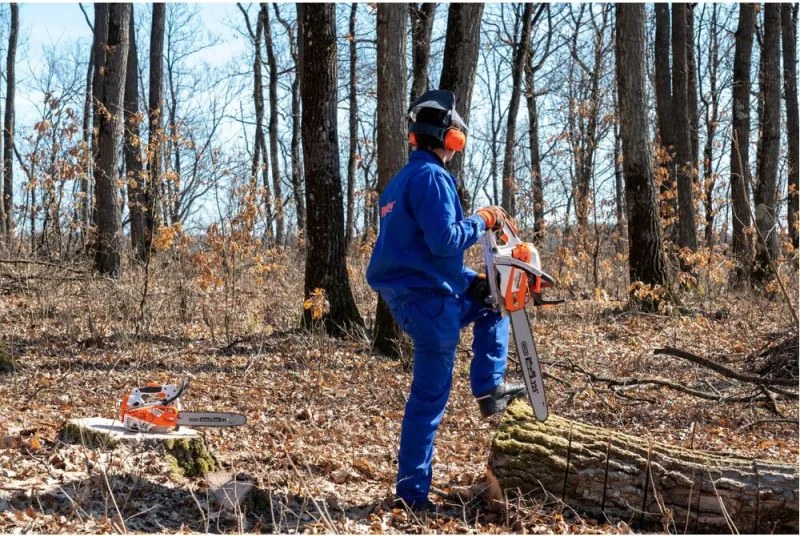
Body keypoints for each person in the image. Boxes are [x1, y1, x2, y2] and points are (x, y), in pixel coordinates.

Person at [366, 89, 524, 512]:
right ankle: (413, 495)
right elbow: (444, 240)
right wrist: (483, 219)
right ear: (447, 137)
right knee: (428, 400)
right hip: (430, 301)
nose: (459, 146)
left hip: (418, 295)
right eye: (458, 137)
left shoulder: (399, 182)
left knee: (493, 297)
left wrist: (469, 279)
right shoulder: (433, 178)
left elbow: (417, 251)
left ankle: (490, 386)